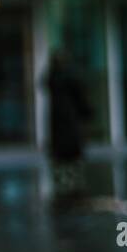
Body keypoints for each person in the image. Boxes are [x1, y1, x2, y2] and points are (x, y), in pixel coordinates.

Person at [44, 47, 94, 213]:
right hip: (69, 122)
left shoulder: (53, 78)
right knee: (72, 156)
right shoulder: (70, 78)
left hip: (60, 123)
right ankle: (73, 186)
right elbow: (82, 101)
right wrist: (86, 113)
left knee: (62, 157)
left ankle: (65, 186)